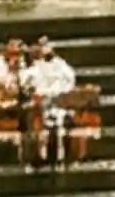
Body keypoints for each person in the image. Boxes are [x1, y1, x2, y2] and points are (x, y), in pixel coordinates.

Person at [23, 36, 76, 166]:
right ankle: (38, 155)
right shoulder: (27, 68)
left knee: (59, 118)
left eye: (43, 45)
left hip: (58, 100)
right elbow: (26, 86)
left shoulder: (59, 64)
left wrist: (56, 92)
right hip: (37, 104)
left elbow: (69, 79)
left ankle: (60, 153)